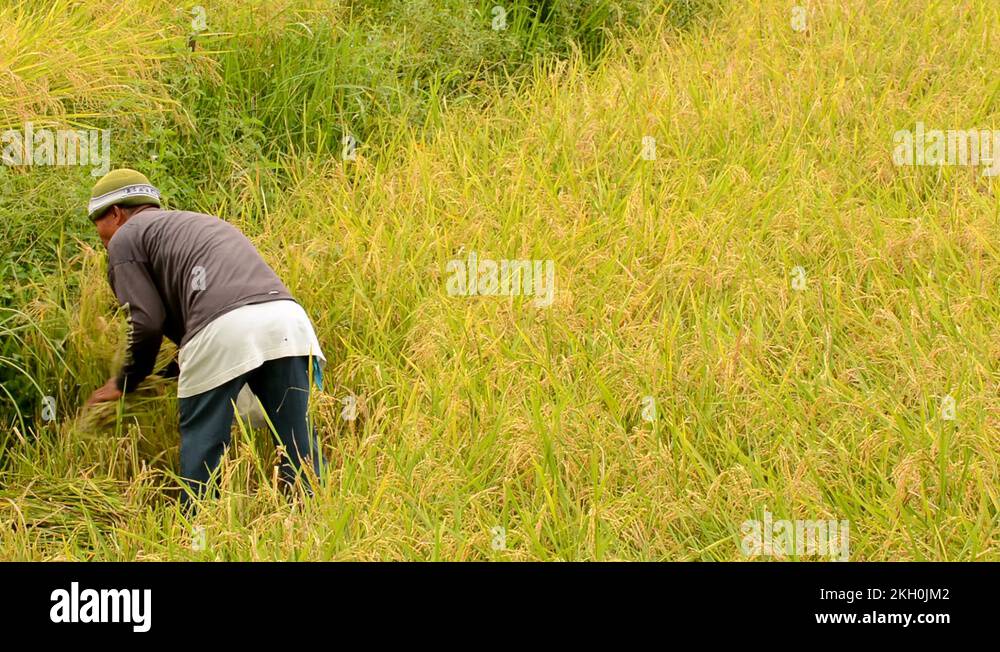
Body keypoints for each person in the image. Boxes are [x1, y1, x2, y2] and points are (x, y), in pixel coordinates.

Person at [83, 168, 326, 505]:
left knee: (203, 448)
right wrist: (169, 371)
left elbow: (148, 321)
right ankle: (314, 522)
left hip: (225, 328)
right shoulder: (199, 224)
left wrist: (125, 383)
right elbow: (198, 309)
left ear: (115, 213)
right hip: (287, 319)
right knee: (300, 446)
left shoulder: (126, 238)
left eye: (100, 229)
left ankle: (198, 534)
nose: (103, 240)